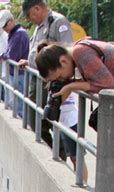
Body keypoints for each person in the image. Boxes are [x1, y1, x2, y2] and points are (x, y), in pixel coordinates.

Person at [18, 0, 72, 150]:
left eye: (29, 15)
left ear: (37, 8)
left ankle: (58, 152)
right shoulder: (39, 27)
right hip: (38, 77)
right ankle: (52, 150)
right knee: (34, 118)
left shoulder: (57, 21)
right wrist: (29, 62)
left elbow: (66, 50)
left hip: (49, 79)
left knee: (46, 119)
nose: (29, 20)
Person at [37, 42, 88, 184]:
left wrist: (63, 89)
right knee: (72, 155)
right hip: (64, 122)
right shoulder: (58, 81)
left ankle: (82, 182)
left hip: (71, 120)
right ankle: (80, 181)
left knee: (77, 157)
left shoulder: (64, 82)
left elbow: (62, 100)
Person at [35, 39, 114, 95]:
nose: (62, 80)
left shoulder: (81, 53)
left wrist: (71, 86)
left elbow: (107, 86)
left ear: (63, 61)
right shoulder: (79, 49)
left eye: (59, 77)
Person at [0, 10, 29, 115]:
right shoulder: (15, 33)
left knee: (18, 104)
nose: (4, 29)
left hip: (19, 73)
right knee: (14, 101)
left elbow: (12, 56)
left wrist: (1, 55)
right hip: (15, 72)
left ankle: (23, 123)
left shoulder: (19, 34)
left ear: (11, 21)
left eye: (5, 25)